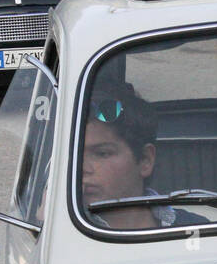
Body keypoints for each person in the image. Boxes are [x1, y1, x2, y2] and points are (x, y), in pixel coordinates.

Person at [81, 84, 208, 231]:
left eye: (102, 154)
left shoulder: (196, 229)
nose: (82, 168)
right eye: (75, 156)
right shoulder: (54, 235)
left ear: (145, 160)